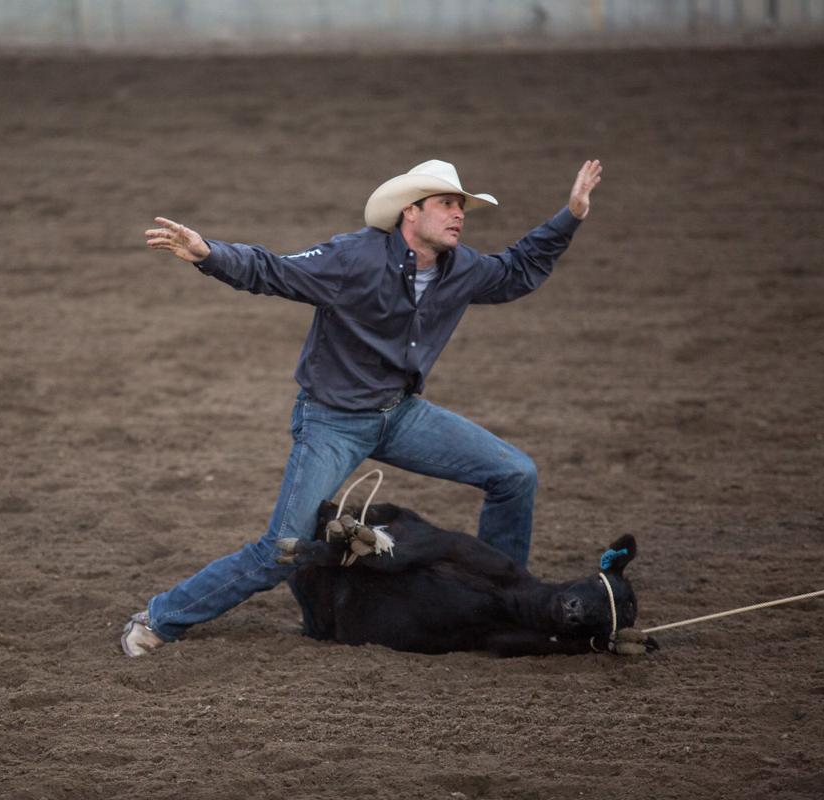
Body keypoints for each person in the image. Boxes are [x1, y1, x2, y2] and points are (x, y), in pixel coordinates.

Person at [122, 159, 603, 657]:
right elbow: (275, 271)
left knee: (515, 475)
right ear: (409, 213)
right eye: (447, 204)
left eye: (462, 206)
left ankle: (505, 603)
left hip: (400, 414)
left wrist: (569, 216)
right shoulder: (354, 257)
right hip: (332, 422)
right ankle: (161, 617)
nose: (459, 214)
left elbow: (517, 270)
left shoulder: (461, 268)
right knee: (282, 551)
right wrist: (208, 253)